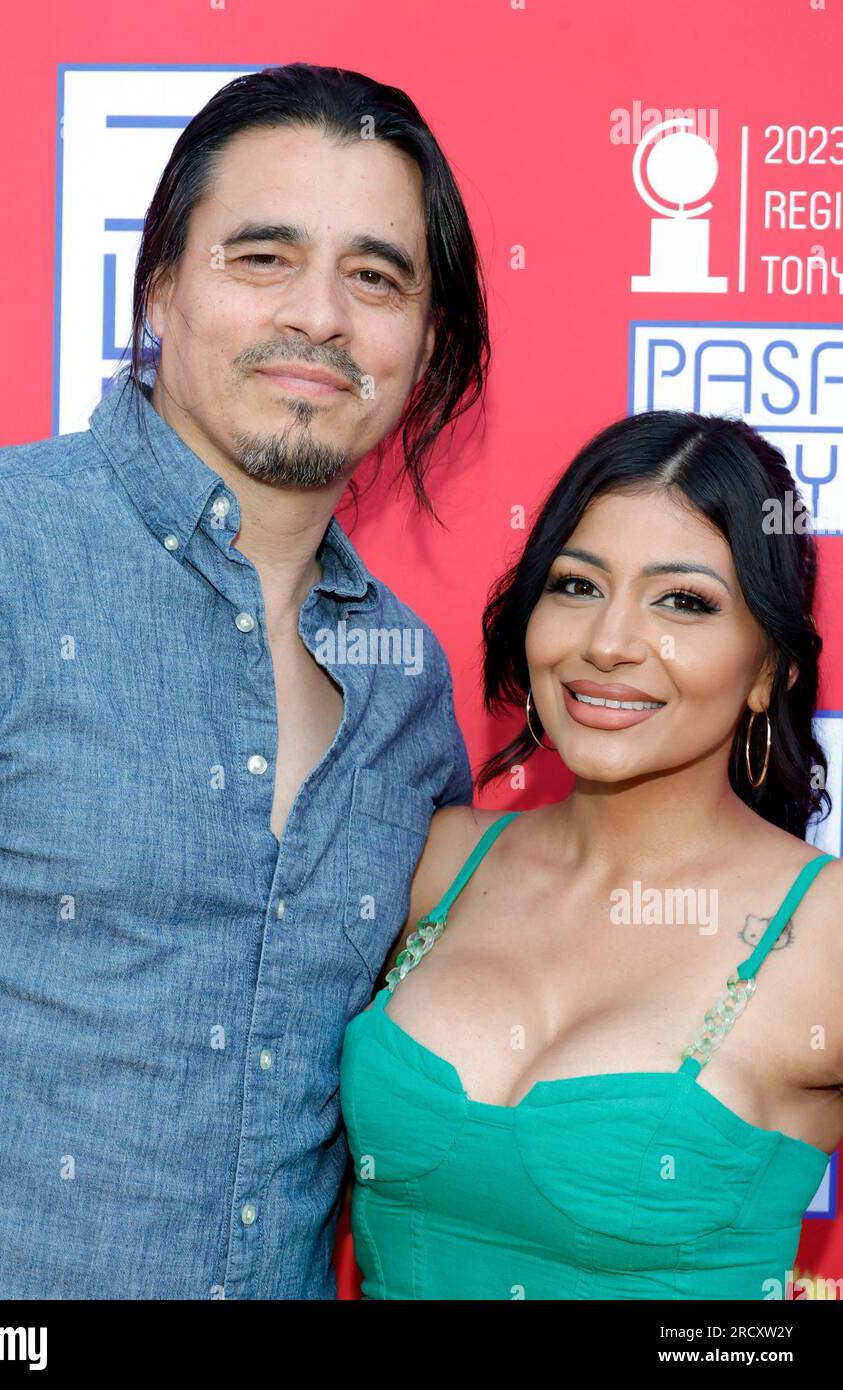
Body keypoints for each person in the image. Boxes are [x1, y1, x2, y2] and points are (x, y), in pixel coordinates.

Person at [0, 63, 489, 1299]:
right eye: (262, 257)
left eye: (375, 277)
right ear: (159, 284)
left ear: (424, 343)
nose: (320, 316)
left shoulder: (405, 689)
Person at [340, 410, 843, 1300]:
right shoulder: (436, 861)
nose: (607, 643)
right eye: (576, 586)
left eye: (682, 601)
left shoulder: (823, 929)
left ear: (768, 669)